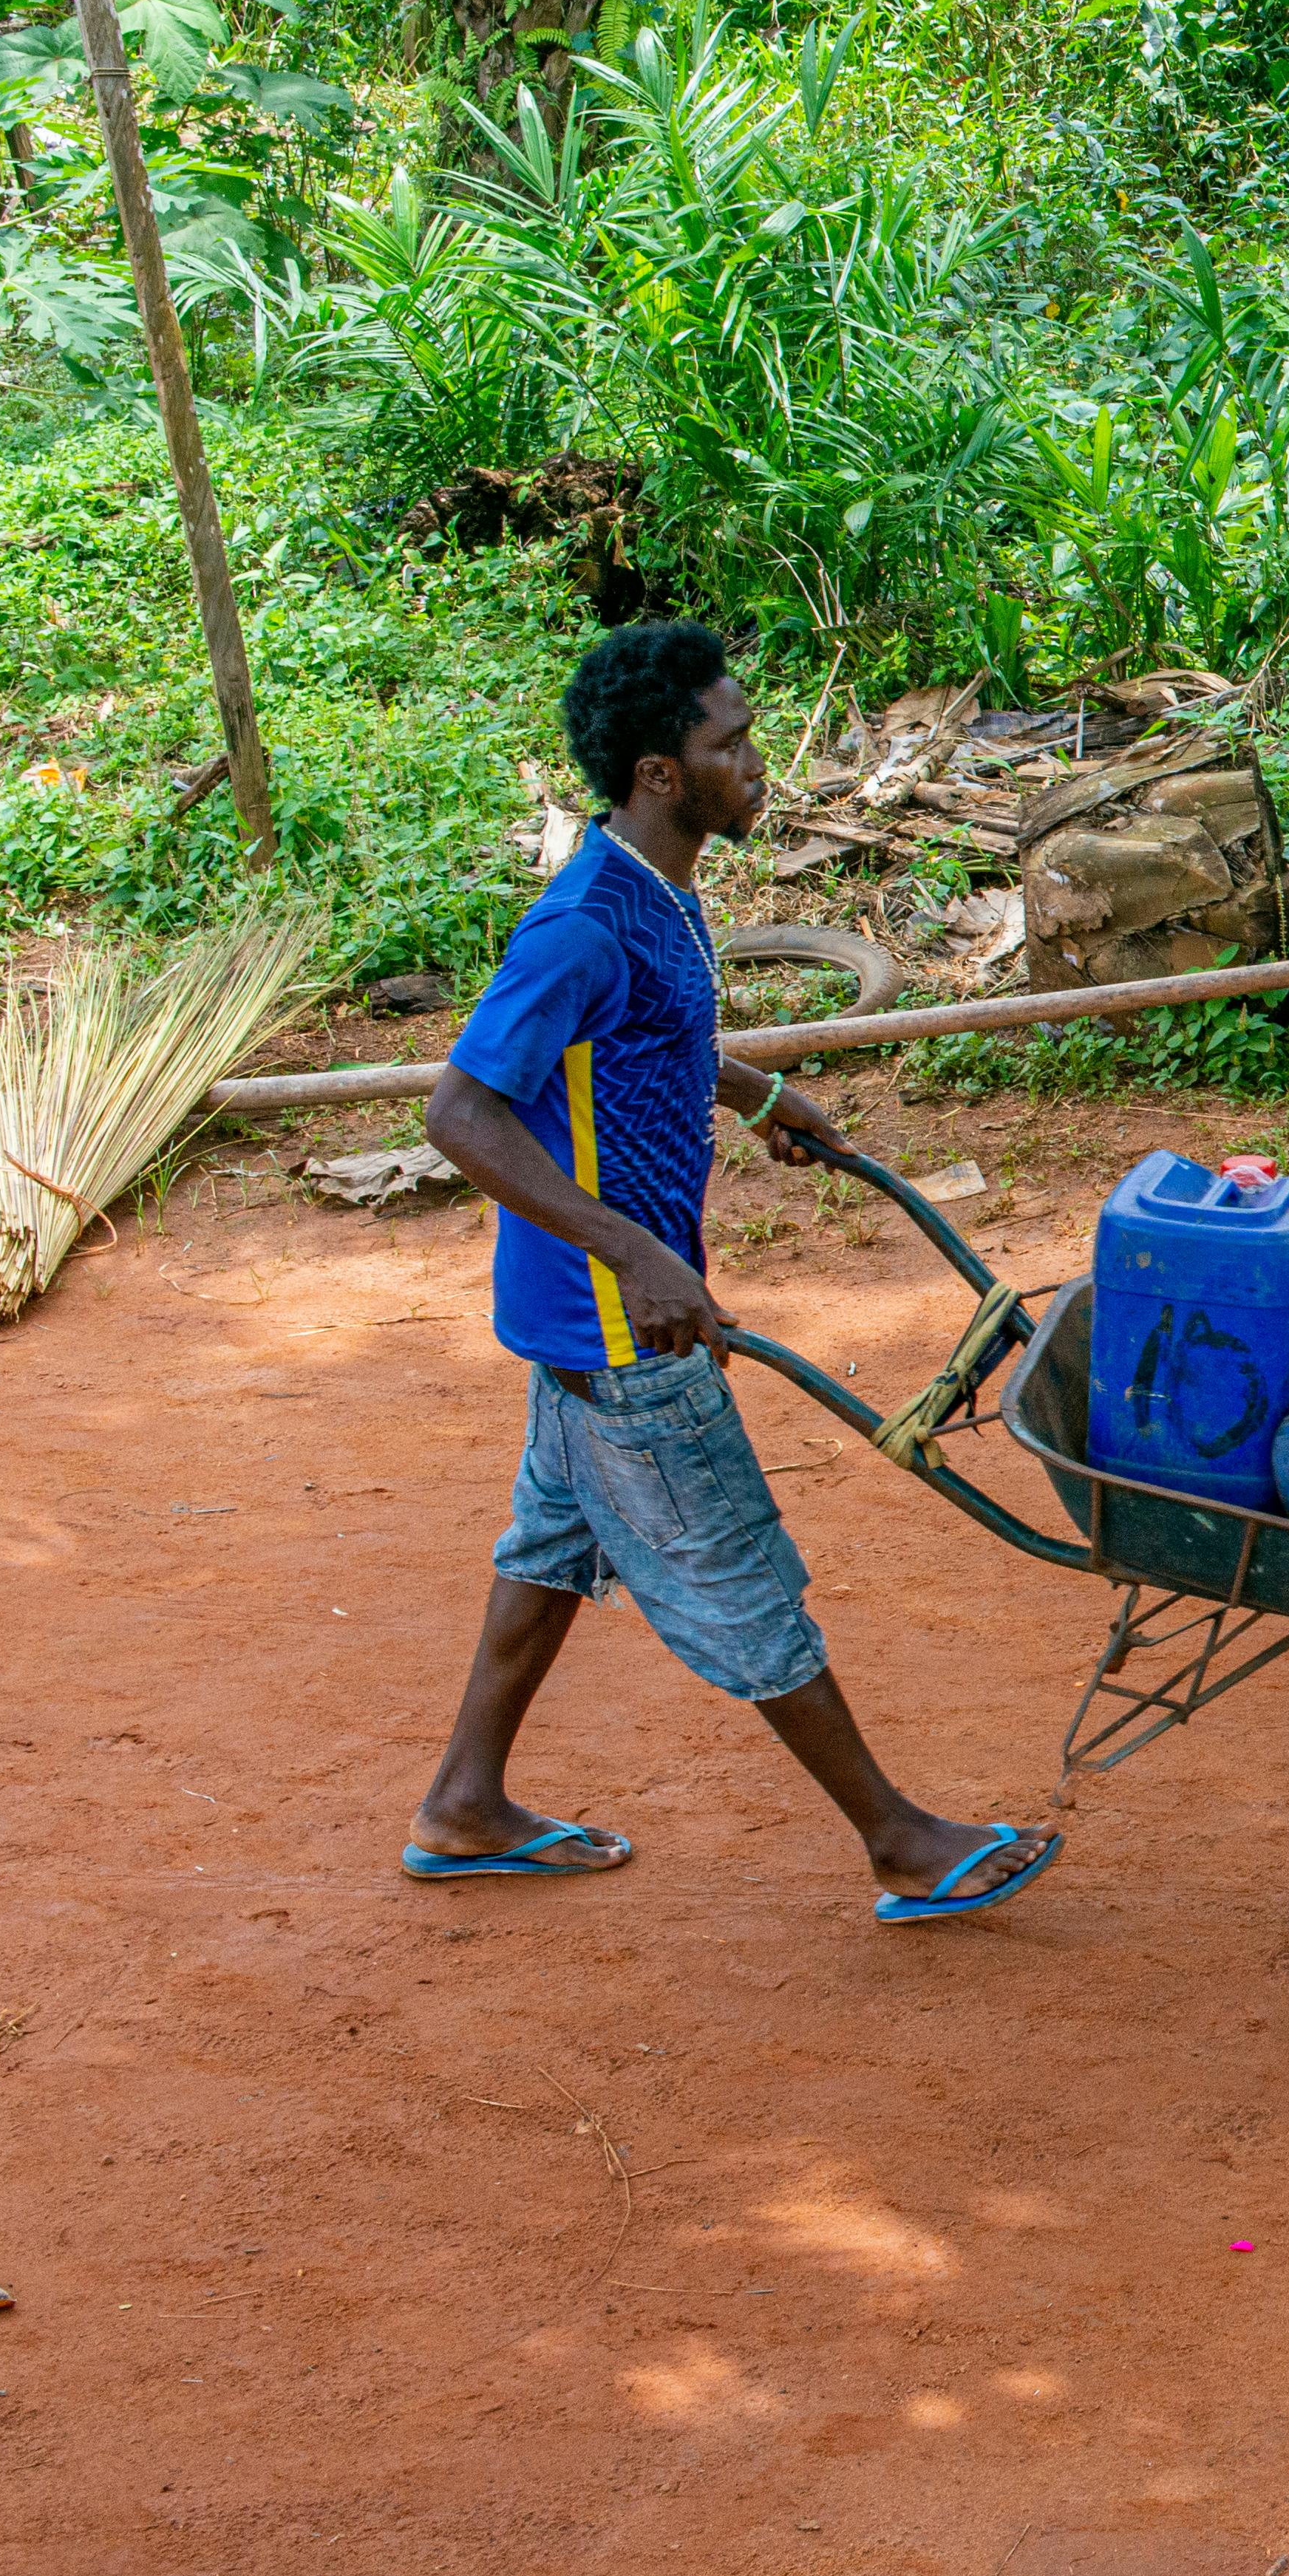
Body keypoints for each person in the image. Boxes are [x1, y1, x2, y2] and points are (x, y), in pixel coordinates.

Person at [404, 618, 1064, 1921]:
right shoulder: (583, 925)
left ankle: (465, 1803)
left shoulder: (660, 895)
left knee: (551, 1543)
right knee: (739, 1570)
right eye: (732, 740)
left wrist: (758, 1095)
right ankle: (897, 1838)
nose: (758, 760)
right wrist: (639, 1251)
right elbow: (463, 1116)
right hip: (617, 1320)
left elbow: (649, 1044)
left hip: (594, 1309)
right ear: (661, 771)